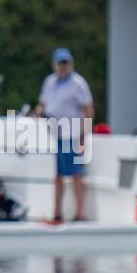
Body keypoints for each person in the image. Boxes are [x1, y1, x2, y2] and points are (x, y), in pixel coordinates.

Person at [35, 47, 95, 223]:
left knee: (76, 174)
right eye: (60, 63)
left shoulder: (78, 84)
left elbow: (89, 110)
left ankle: (80, 214)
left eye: (65, 63)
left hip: (73, 134)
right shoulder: (50, 82)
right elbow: (44, 105)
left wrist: (84, 133)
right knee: (58, 175)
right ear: (54, 64)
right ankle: (57, 212)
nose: (63, 67)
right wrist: (37, 114)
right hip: (54, 135)